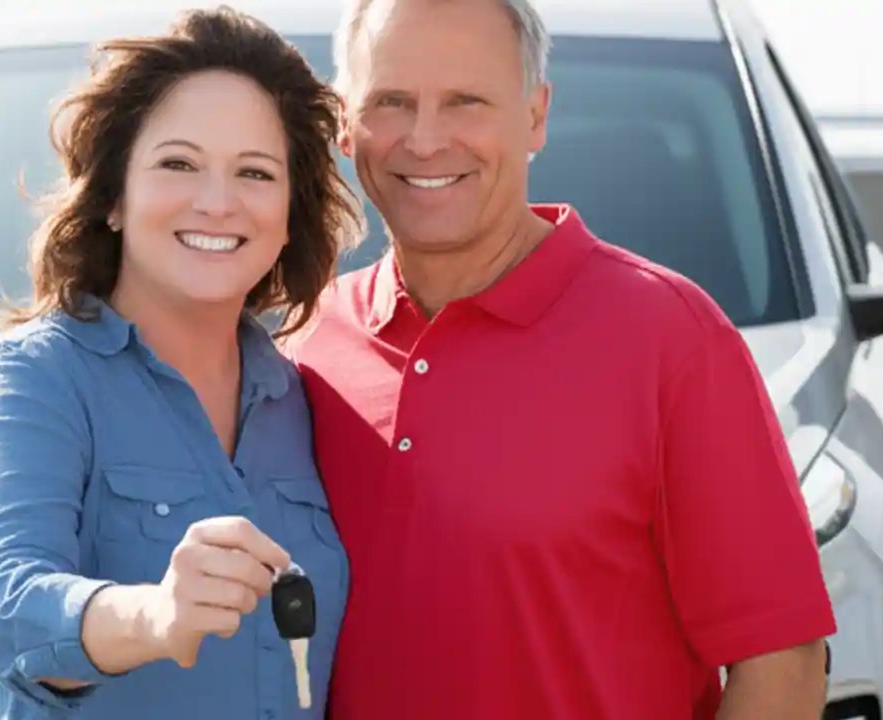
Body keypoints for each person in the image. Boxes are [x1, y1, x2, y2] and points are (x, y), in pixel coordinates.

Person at [283, 0, 838, 718]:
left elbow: (782, 665)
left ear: (536, 116)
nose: (424, 139)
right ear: (347, 126)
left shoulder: (671, 340)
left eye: (466, 101)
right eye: (391, 101)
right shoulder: (304, 343)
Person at [0, 7, 360, 719]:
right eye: (178, 163)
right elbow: (2, 607)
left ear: (291, 210)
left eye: (255, 173)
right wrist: (156, 616)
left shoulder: (306, 396)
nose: (216, 202)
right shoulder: (37, 379)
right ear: (113, 195)